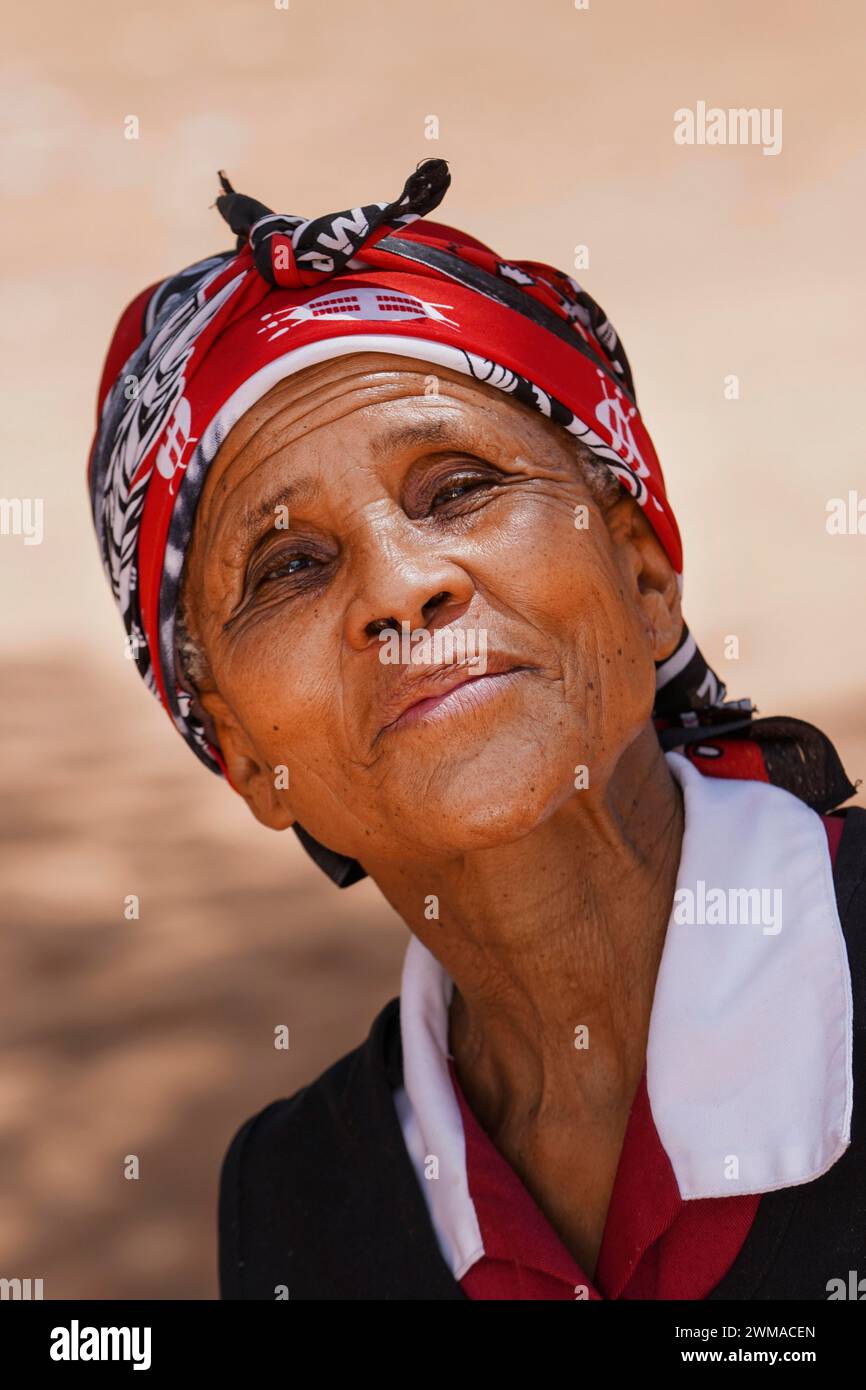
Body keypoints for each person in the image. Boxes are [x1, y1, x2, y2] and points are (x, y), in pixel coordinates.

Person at [88, 158, 865, 1300]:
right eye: (288, 565)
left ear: (644, 579)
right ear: (247, 757)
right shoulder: (293, 1202)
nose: (400, 587)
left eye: (457, 489)